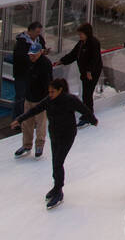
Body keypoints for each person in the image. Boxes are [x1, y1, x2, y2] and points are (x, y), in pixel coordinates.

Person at [11, 77, 97, 208]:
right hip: (55, 134)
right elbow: (35, 110)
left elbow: (84, 109)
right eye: (49, 92)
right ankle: (56, 187)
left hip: (67, 135)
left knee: (58, 162)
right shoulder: (48, 100)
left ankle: (58, 191)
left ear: (60, 90)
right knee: (55, 162)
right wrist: (20, 119)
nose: (50, 94)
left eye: (52, 92)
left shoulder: (69, 100)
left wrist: (93, 120)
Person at [14, 39, 53, 159]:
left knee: (40, 124)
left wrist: (47, 98)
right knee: (26, 123)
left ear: (40, 52)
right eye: (30, 55)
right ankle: (26, 145)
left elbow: (48, 82)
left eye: (34, 55)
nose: (32, 57)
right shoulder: (29, 62)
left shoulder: (45, 64)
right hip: (29, 97)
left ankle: (39, 145)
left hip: (40, 100)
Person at [60, 22, 102, 125]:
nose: (80, 36)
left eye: (81, 34)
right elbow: (73, 54)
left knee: (87, 94)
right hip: (84, 72)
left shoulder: (94, 43)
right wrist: (63, 61)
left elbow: (95, 58)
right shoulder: (81, 43)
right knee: (86, 93)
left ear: (87, 33)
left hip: (92, 73)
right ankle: (87, 114)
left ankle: (88, 115)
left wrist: (89, 71)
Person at [12, 21, 44, 120]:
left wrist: (43, 52)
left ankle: (29, 118)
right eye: (37, 32)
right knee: (20, 97)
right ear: (30, 31)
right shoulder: (21, 42)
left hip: (34, 73)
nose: (38, 34)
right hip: (22, 73)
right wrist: (32, 57)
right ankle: (18, 119)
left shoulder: (39, 39)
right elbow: (19, 57)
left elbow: (42, 48)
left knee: (32, 96)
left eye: (39, 32)